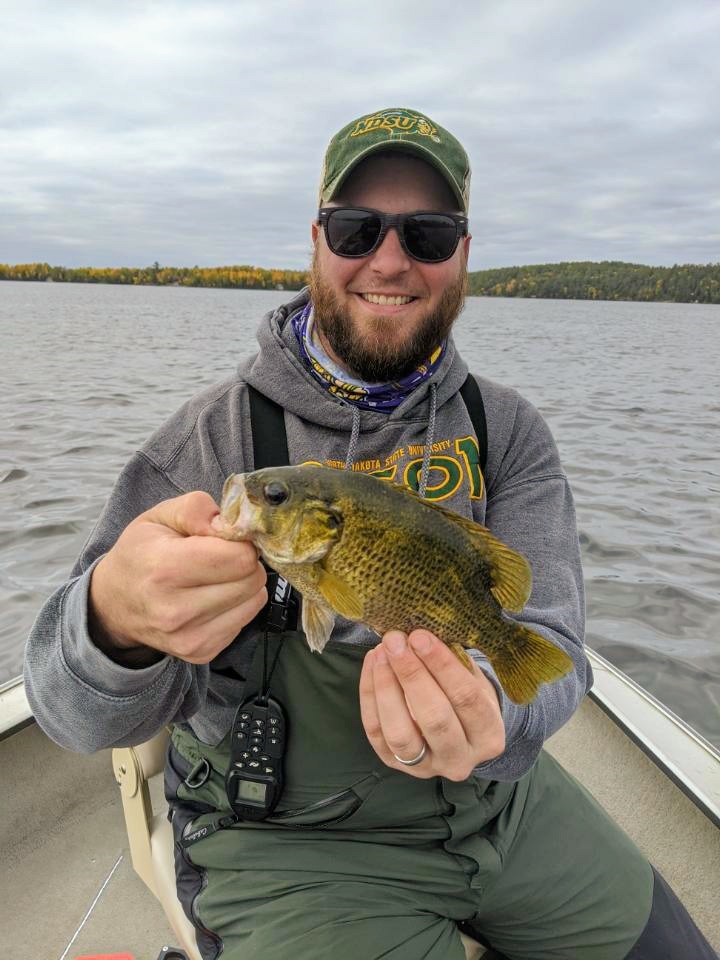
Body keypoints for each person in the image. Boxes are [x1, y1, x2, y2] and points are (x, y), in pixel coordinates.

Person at [24, 107, 716, 960]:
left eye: (428, 233)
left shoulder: (508, 433)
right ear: (318, 239)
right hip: (288, 842)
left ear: (462, 253)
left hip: (503, 804)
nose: (390, 260)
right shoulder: (208, 444)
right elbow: (70, 715)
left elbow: (552, 656)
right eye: (358, 229)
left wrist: (497, 717)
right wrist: (113, 622)